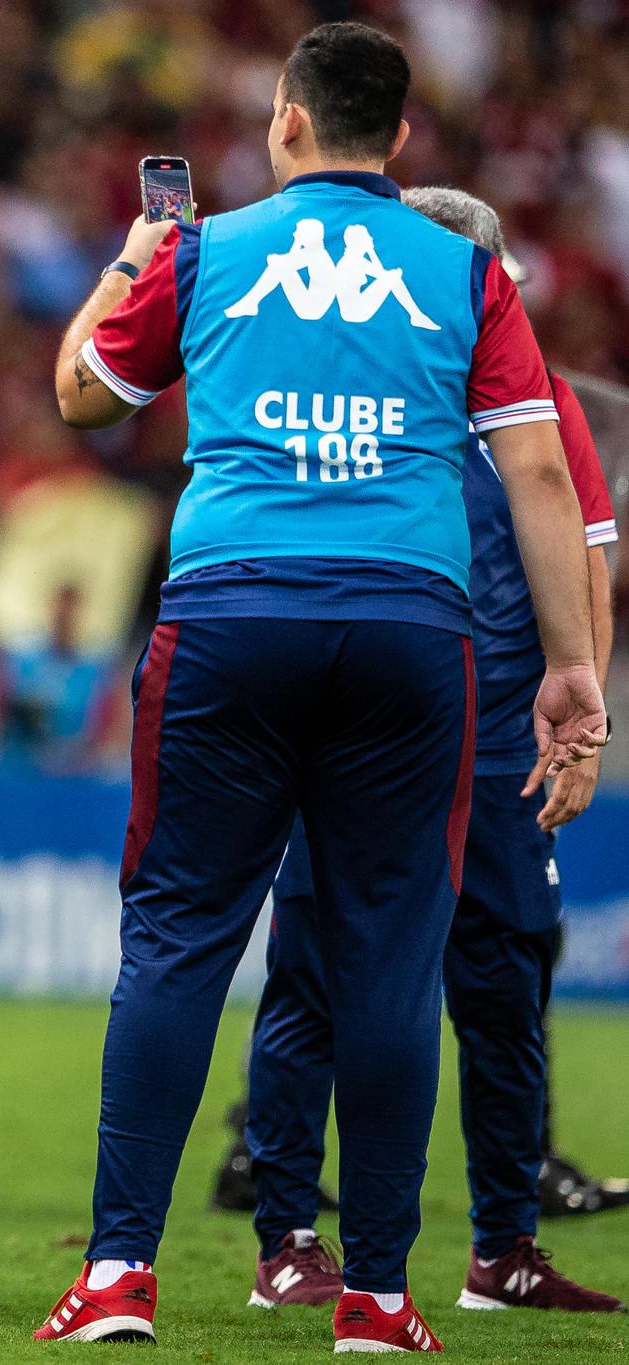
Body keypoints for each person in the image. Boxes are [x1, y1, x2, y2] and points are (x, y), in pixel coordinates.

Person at [35, 23, 605, 1352]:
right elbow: (539, 481)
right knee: (393, 963)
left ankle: (119, 1276)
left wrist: (135, 249)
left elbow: (81, 398)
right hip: (412, 629)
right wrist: (574, 672)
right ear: (400, 141)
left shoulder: (203, 249)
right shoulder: (468, 271)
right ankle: (382, 1295)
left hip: (230, 617)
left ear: (284, 124)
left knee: (178, 945)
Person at [233, 186, 622, 1314]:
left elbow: (586, 564)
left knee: (502, 992)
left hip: (500, 747)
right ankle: (287, 1241)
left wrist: (582, 724)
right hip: (355, 739)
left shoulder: (542, 405)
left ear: (483, 285)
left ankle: (502, 1249)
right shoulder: (334, 393)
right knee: (314, 979)